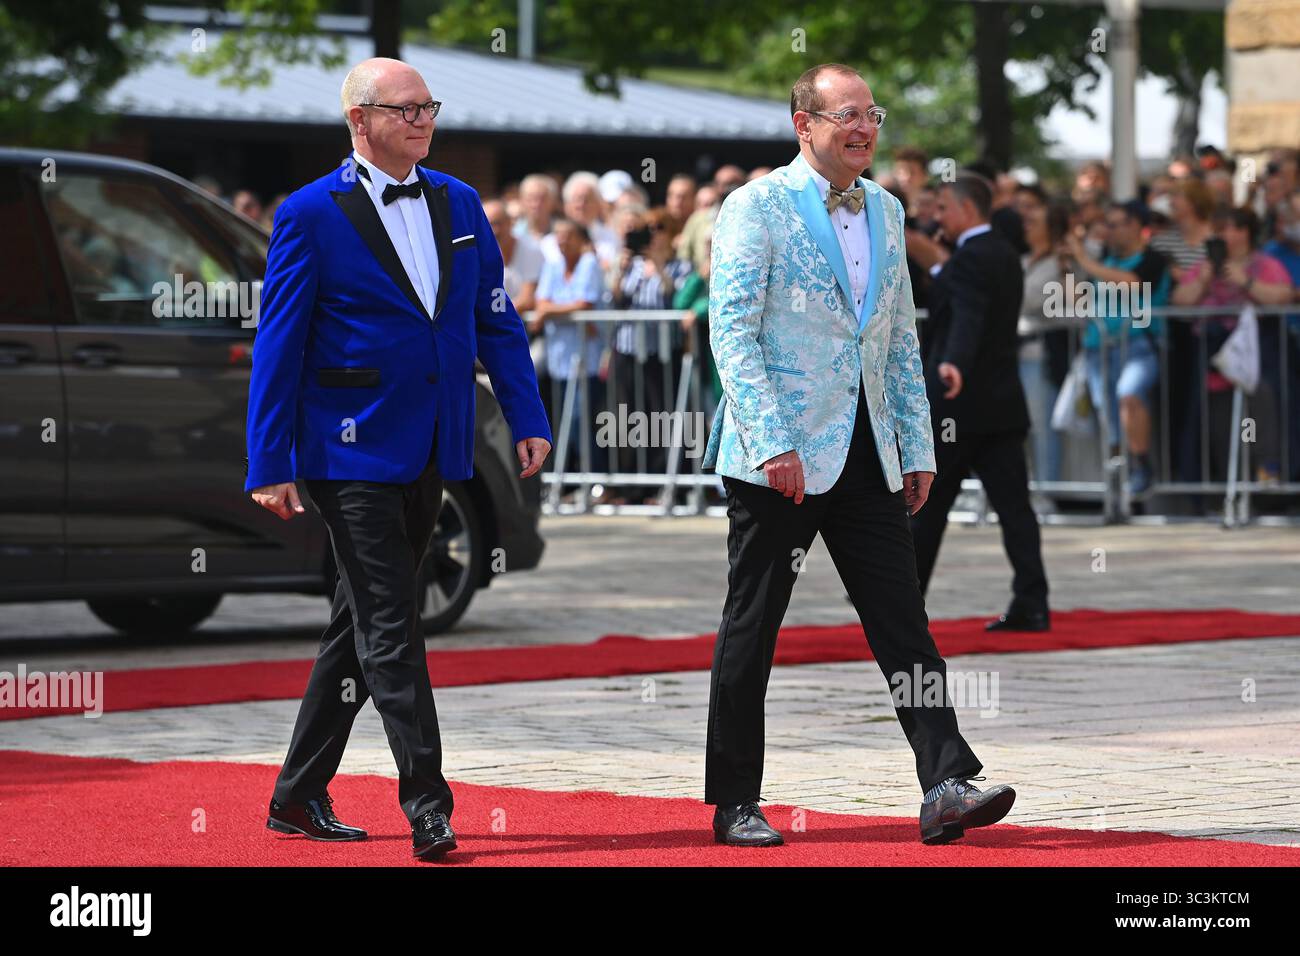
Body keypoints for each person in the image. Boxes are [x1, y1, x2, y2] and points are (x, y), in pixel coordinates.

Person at [244, 57, 552, 860]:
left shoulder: (457, 201)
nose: (423, 120)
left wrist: (526, 413)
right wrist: (267, 459)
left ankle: (297, 793)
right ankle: (428, 803)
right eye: (406, 109)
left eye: (429, 107)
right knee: (392, 621)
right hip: (347, 450)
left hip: (436, 441)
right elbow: (279, 344)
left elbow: (494, 316)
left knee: (359, 623)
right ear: (359, 119)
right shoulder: (309, 213)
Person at [701, 63, 1015, 849]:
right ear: (801, 122)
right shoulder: (755, 205)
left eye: (872, 113)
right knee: (754, 623)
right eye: (847, 115)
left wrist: (915, 442)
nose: (865, 128)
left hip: (871, 447)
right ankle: (735, 798)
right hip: (779, 457)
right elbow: (731, 330)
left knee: (903, 623)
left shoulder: (885, 207)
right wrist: (772, 439)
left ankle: (945, 780)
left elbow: (899, 337)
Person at [910, 173, 1051, 633]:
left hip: (961, 409)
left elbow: (967, 317)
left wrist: (953, 363)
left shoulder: (971, 257)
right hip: (1002, 407)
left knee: (929, 509)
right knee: (1015, 510)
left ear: (966, 210)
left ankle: (903, 603)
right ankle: (1033, 601)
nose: (938, 218)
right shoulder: (1005, 254)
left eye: (943, 209)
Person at [1171, 206, 1294, 483]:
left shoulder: (1265, 265)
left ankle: (1265, 472)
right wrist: (1203, 281)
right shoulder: (1203, 268)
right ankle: (1228, 484)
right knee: (1220, 423)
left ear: (1245, 232)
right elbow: (1180, 300)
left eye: (1229, 229)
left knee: (1254, 415)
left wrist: (1246, 281)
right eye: (1219, 230)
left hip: (1257, 357)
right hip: (1214, 359)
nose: (1224, 236)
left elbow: (1283, 296)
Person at [1065, 200, 1171, 495]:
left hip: (1140, 346)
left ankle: (1141, 465)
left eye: (1113, 225)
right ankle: (1118, 478)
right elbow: (1078, 302)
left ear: (1135, 225)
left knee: (1129, 395)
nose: (1107, 232)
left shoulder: (1154, 259)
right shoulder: (1105, 262)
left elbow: (1133, 283)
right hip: (1098, 349)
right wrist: (1072, 266)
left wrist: (1085, 260)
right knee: (1108, 415)